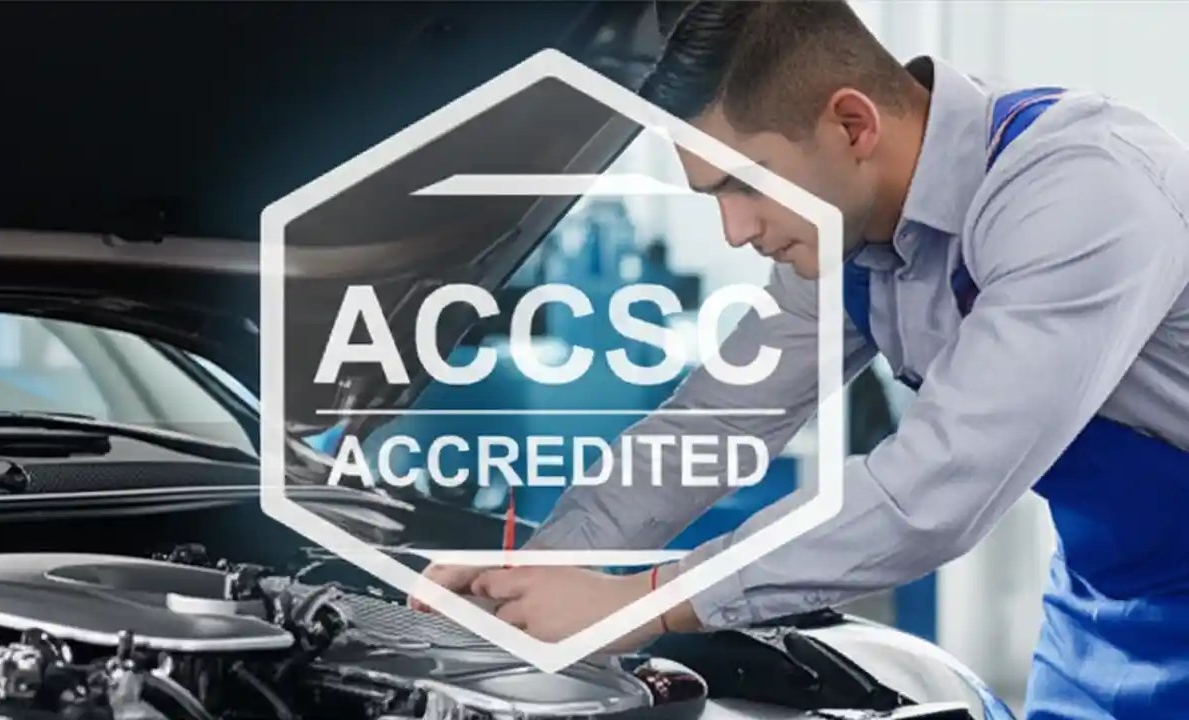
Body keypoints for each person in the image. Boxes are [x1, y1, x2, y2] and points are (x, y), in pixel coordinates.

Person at [410, 2, 1189, 718]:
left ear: (852, 124)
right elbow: (715, 422)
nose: (735, 231)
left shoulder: (1083, 194)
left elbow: (931, 492)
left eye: (742, 185)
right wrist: (532, 581)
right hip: (1103, 608)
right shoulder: (848, 233)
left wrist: (642, 600)